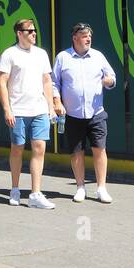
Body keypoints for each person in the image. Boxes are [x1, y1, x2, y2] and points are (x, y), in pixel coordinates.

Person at [52, 22, 118, 204]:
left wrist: (109, 81)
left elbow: (112, 78)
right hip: (73, 115)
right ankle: (80, 187)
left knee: (99, 150)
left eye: (89, 36)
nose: (88, 39)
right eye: (84, 36)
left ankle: (101, 188)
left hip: (96, 113)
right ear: (75, 38)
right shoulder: (63, 57)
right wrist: (57, 101)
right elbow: (54, 82)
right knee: (77, 152)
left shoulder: (98, 56)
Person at [0, 17, 59, 208]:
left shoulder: (41, 54)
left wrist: (50, 106)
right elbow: (2, 82)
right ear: (19, 33)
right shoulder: (9, 54)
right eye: (30, 31)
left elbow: (47, 81)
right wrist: (7, 109)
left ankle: (35, 194)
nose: (34, 34)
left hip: (39, 110)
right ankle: (15, 189)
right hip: (18, 111)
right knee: (17, 148)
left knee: (39, 148)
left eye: (34, 31)